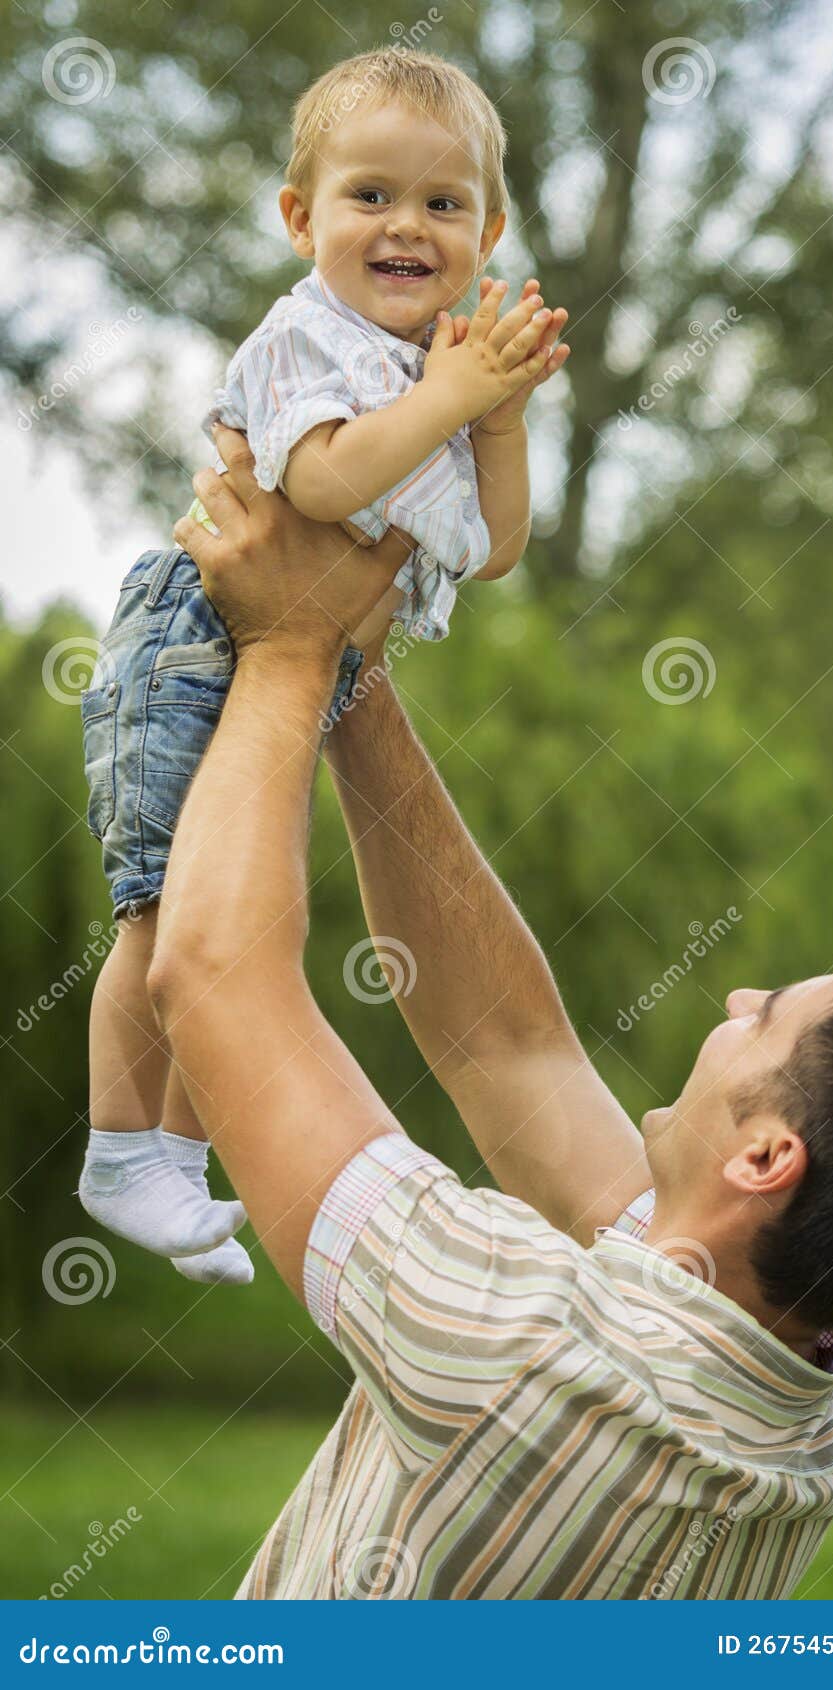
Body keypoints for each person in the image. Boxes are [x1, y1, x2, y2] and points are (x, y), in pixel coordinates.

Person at [142, 428, 833, 1599]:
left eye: (762, 1014)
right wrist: (355, 682)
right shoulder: (792, 1391)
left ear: (769, 1155)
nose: (732, 997)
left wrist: (284, 650)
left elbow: (212, 978)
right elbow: (509, 1048)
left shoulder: (522, 1350)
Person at [77, 47, 569, 1280]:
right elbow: (322, 479)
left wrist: (492, 418)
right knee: (166, 903)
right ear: (301, 219)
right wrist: (452, 395)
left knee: (249, 909)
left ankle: (182, 1162)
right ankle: (123, 1148)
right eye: (370, 195)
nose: (407, 224)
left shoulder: (431, 371)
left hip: (304, 650)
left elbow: (496, 547)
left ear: (488, 229)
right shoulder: (311, 338)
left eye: (444, 203)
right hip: (200, 632)